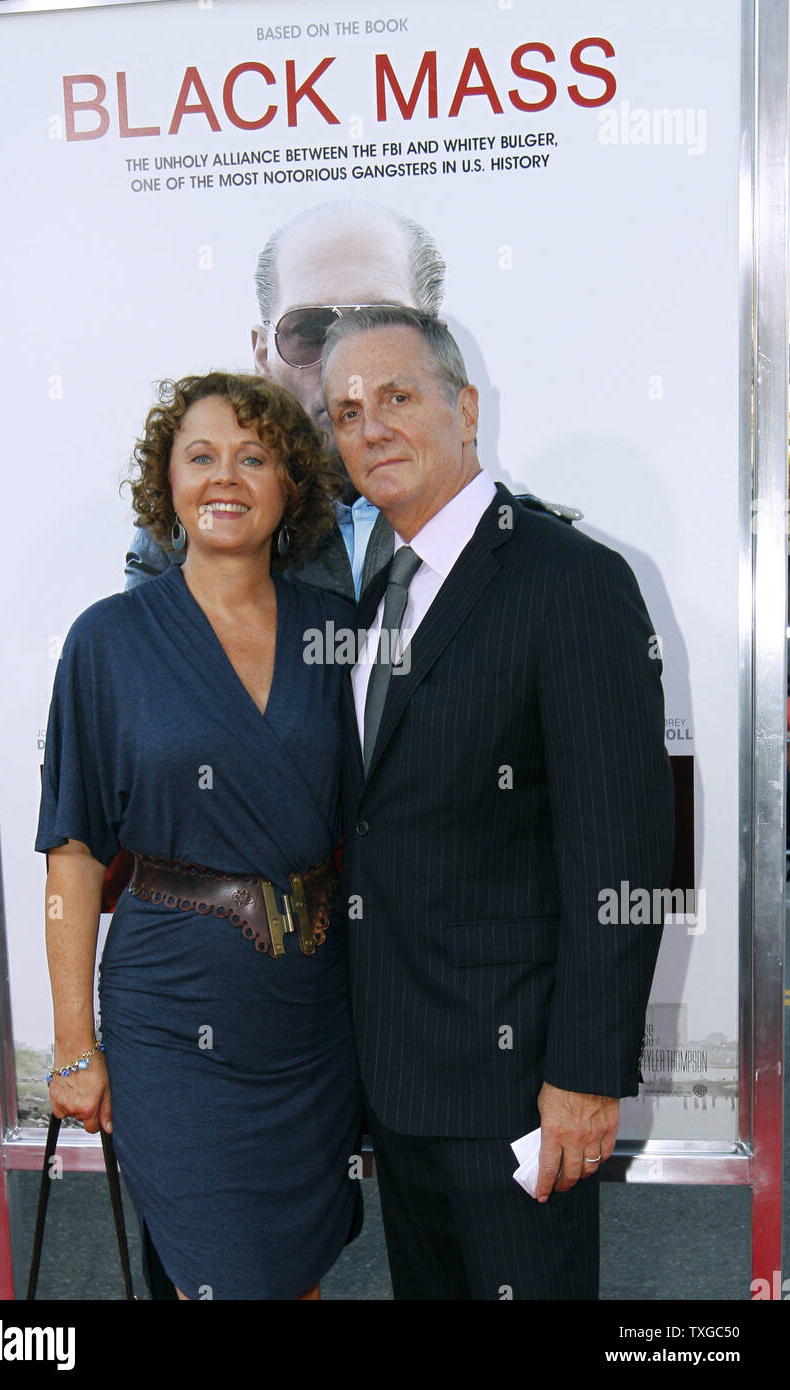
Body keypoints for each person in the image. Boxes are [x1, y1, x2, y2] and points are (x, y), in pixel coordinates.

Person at [321, 307, 675, 1300]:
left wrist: (585, 1075)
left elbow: (621, 853)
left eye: (396, 396)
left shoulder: (568, 579)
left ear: (462, 408)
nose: (371, 427)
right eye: (346, 412)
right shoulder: (368, 599)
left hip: (520, 1088)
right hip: (394, 1079)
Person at [35, 372, 363, 1301]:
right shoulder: (108, 641)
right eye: (202, 456)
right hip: (174, 1016)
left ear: (290, 486)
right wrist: (73, 1045)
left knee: (295, 1274)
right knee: (218, 1275)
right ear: (166, 483)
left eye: (254, 457)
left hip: (312, 1015)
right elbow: (75, 854)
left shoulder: (336, 634)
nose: (228, 477)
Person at [124, 198, 580, 601]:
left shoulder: (536, 551)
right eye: (309, 331)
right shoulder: (183, 542)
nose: (346, 367)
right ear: (263, 356)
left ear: (438, 347)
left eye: (381, 323)